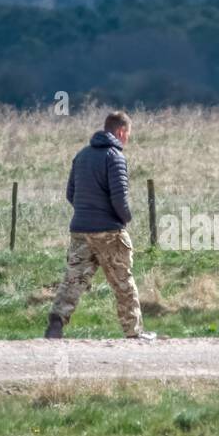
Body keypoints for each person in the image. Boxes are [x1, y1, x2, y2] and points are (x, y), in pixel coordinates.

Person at [45, 110, 155, 340]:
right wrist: (125, 219)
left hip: (80, 229)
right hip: (108, 231)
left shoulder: (82, 155)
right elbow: (119, 199)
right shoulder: (115, 157)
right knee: (123, 282)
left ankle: (56, 323)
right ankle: (133, 332)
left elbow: (70, 193)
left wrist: (86, 211)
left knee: (74, 279)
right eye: (127, 135)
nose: (127, 139)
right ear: (121, 132)